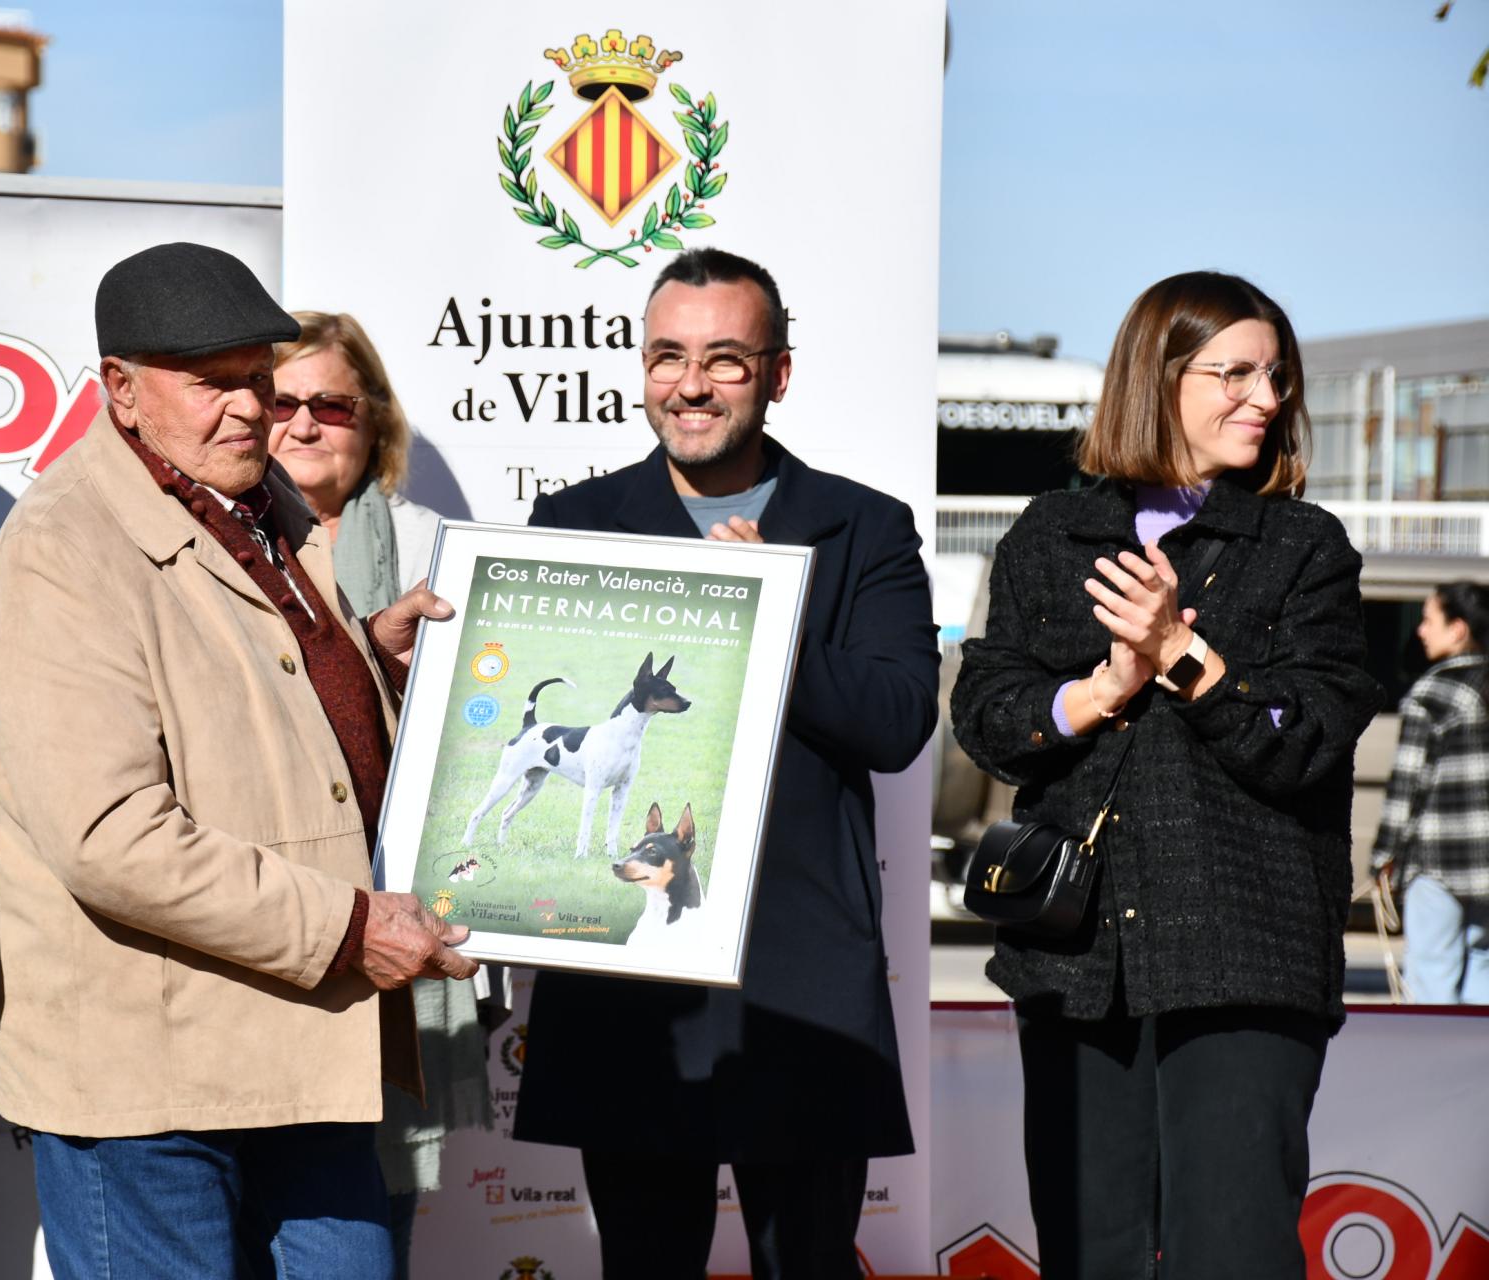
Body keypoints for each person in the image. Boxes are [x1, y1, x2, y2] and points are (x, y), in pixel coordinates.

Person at [0, 242, 479, 1280]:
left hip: (302, 1048)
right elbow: (111, 839)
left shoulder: (264, 511)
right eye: (214, 384)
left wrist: (369, 676)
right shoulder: (63, 548)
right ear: (120, 389)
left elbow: (268, 737)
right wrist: (349, 926)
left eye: (259, 377)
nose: (251, 408)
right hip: (150, 1081)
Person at [510, 247, 939, 1279]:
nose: (690, 383)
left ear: (778, 372)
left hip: (799, 978)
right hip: (632, 980)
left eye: (725, 359)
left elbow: (896, 722)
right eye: (667, 354)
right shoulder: (571, 524)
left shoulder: (864, 527)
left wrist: (769, 613)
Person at [950, 271, 1384, 1279]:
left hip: (1247, 958)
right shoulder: (1050, 536)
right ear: (1157, 377)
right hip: (1074, 963)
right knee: (1089, 1251)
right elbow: (985, 711)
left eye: (1277, 375)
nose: (1265, 398)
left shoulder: (1302, 547)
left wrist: (1185, 658)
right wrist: (1098, 690)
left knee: (1228, 1251)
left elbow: (1313, 735)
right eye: (1235, 372)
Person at [270, 312, 492, 1276]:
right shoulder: (218, 539)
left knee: (367, 1223)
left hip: (396, 911)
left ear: (374, 423)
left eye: (332, 403)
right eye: (283, 401)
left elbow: (481, 739)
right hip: (266, 915)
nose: (306, 425)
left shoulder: (436, 546)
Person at [1373, 582, 1489, 1003]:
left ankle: (1437, 1067)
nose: (1420, 631)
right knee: (1482, 969)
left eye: (1427, 619)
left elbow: (1407, 786)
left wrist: (1383, 855)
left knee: (1431, 977)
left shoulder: (1431, 693)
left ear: (1457, 629)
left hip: (1437, 860)